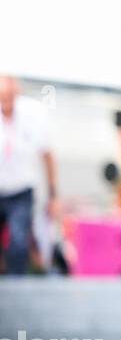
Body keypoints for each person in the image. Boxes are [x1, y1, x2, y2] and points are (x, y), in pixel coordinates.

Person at [0, 74, 57, 276]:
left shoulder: (32, 114)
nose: (5, 103)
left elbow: (47, 156)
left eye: (8, 97)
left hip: (21, 191)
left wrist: (52, 195)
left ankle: (16, 283)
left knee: (18, 240)